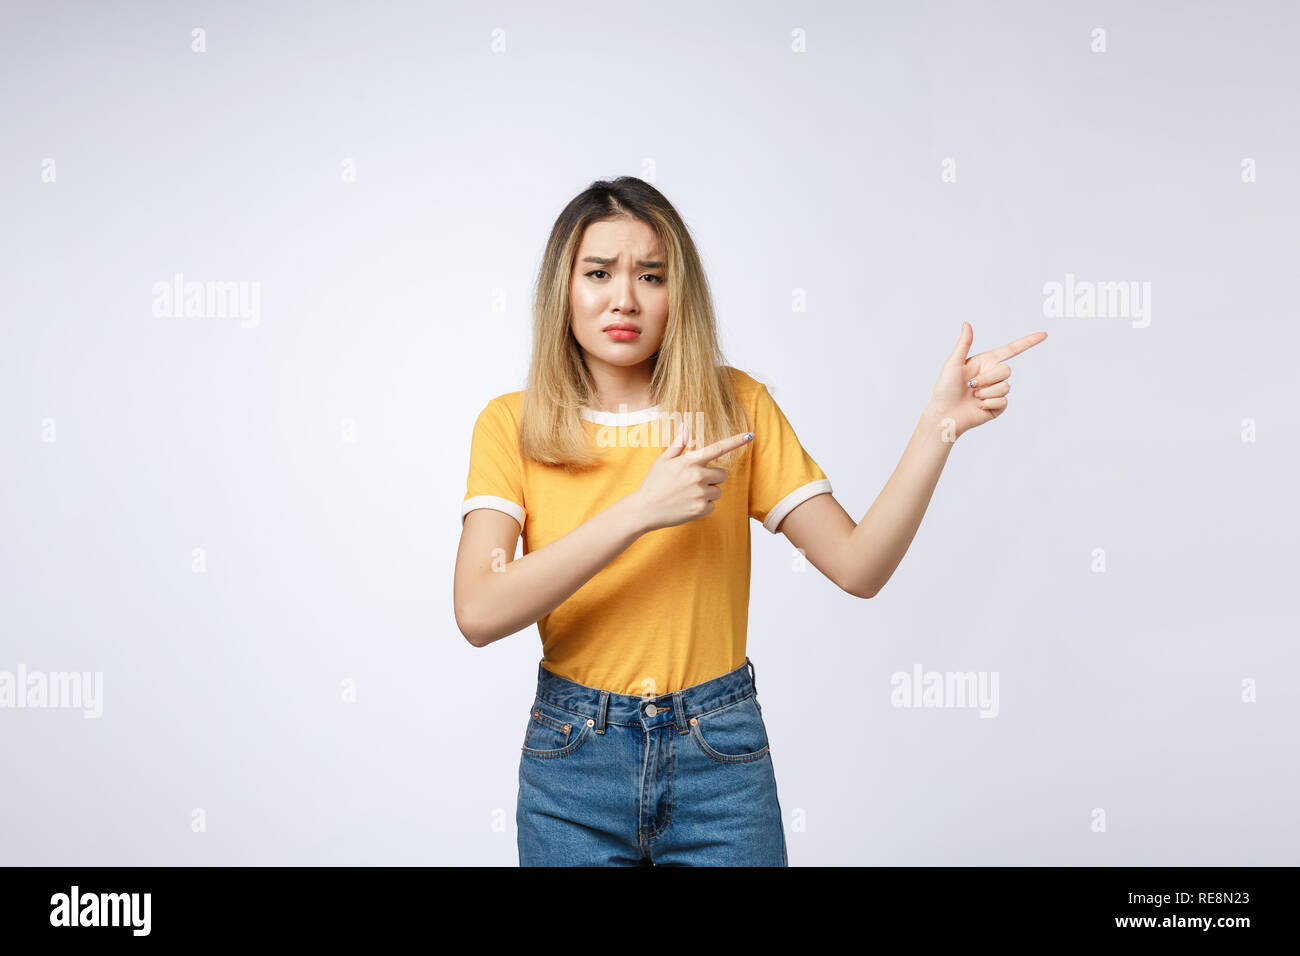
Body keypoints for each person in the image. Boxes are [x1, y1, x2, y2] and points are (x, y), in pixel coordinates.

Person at [453, 176, 1046, 866]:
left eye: (652, 275)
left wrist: (939, 427)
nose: (624, 298)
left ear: (682, 294)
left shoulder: (735, 405)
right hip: (573, 762)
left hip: (718, 755)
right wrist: (641, 511)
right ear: (564, 286)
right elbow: (479, 609)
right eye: (598, 273)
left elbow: (859, 567)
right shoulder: (512, 425)